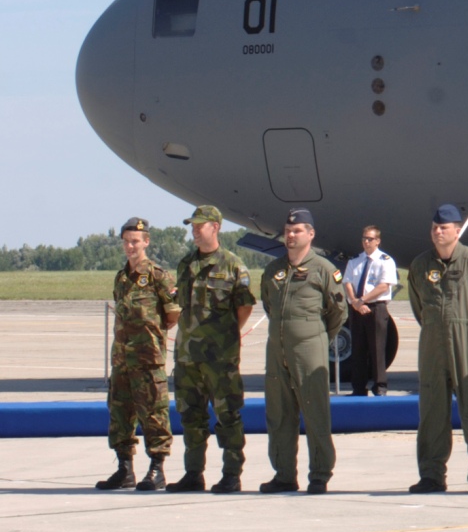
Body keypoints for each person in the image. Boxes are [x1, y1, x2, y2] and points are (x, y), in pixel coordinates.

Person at [408, 202, 468, 493]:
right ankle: (432, 475)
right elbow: (417, 304)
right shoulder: (421, 264)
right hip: (433, 343)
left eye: (443, 228)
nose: (437, 232)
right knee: (432, 411)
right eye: (434, 227)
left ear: (457, 231)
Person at [258, 208, 346, 493]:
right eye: (288, 230)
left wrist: (316, 338)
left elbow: (338, 311)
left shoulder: (323, 269)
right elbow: (269, 306)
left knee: (315, 411)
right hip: (278, 349)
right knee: (279, 414)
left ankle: (319, 474)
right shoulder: (274, 270)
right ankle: (284, 474)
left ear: (311, 234)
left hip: (309, 347)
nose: (291, 235)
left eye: (297, 231)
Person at [169, 204, 254, 493]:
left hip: (219, 357)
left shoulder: (232, 265)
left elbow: (243, 307)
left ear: (215, 227)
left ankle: (232, 473)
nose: (194, 230)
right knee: (190, 415)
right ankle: (193, 473)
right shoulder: (186, 265)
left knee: (228, 415)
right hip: (187, 356)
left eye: (199, 225)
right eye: (192, 226)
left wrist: (225, 337)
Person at [99, 217, 179, 491]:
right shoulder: (121, 278)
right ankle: (125, 469)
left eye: (135, 241)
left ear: (146, 242)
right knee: (120, 414)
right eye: (126, 242)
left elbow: (172, 314)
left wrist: (150, 339)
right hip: (122, 360)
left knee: (154, 414)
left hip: (147, 360)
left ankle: (157, 469)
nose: (130, 246)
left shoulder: (158, 275)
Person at [343, 225, 397, 396]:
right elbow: (347, 283)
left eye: (370, 239)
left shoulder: (385, 260)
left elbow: (383, 286)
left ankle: (380, 386)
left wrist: (362, 300)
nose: (366, 242)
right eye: (364, 238)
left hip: (376, 308)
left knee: (377, 349)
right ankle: (358, 387)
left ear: (378, 241)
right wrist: (355, 302)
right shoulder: (355, 261)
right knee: (358, 349)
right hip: (357, 308)